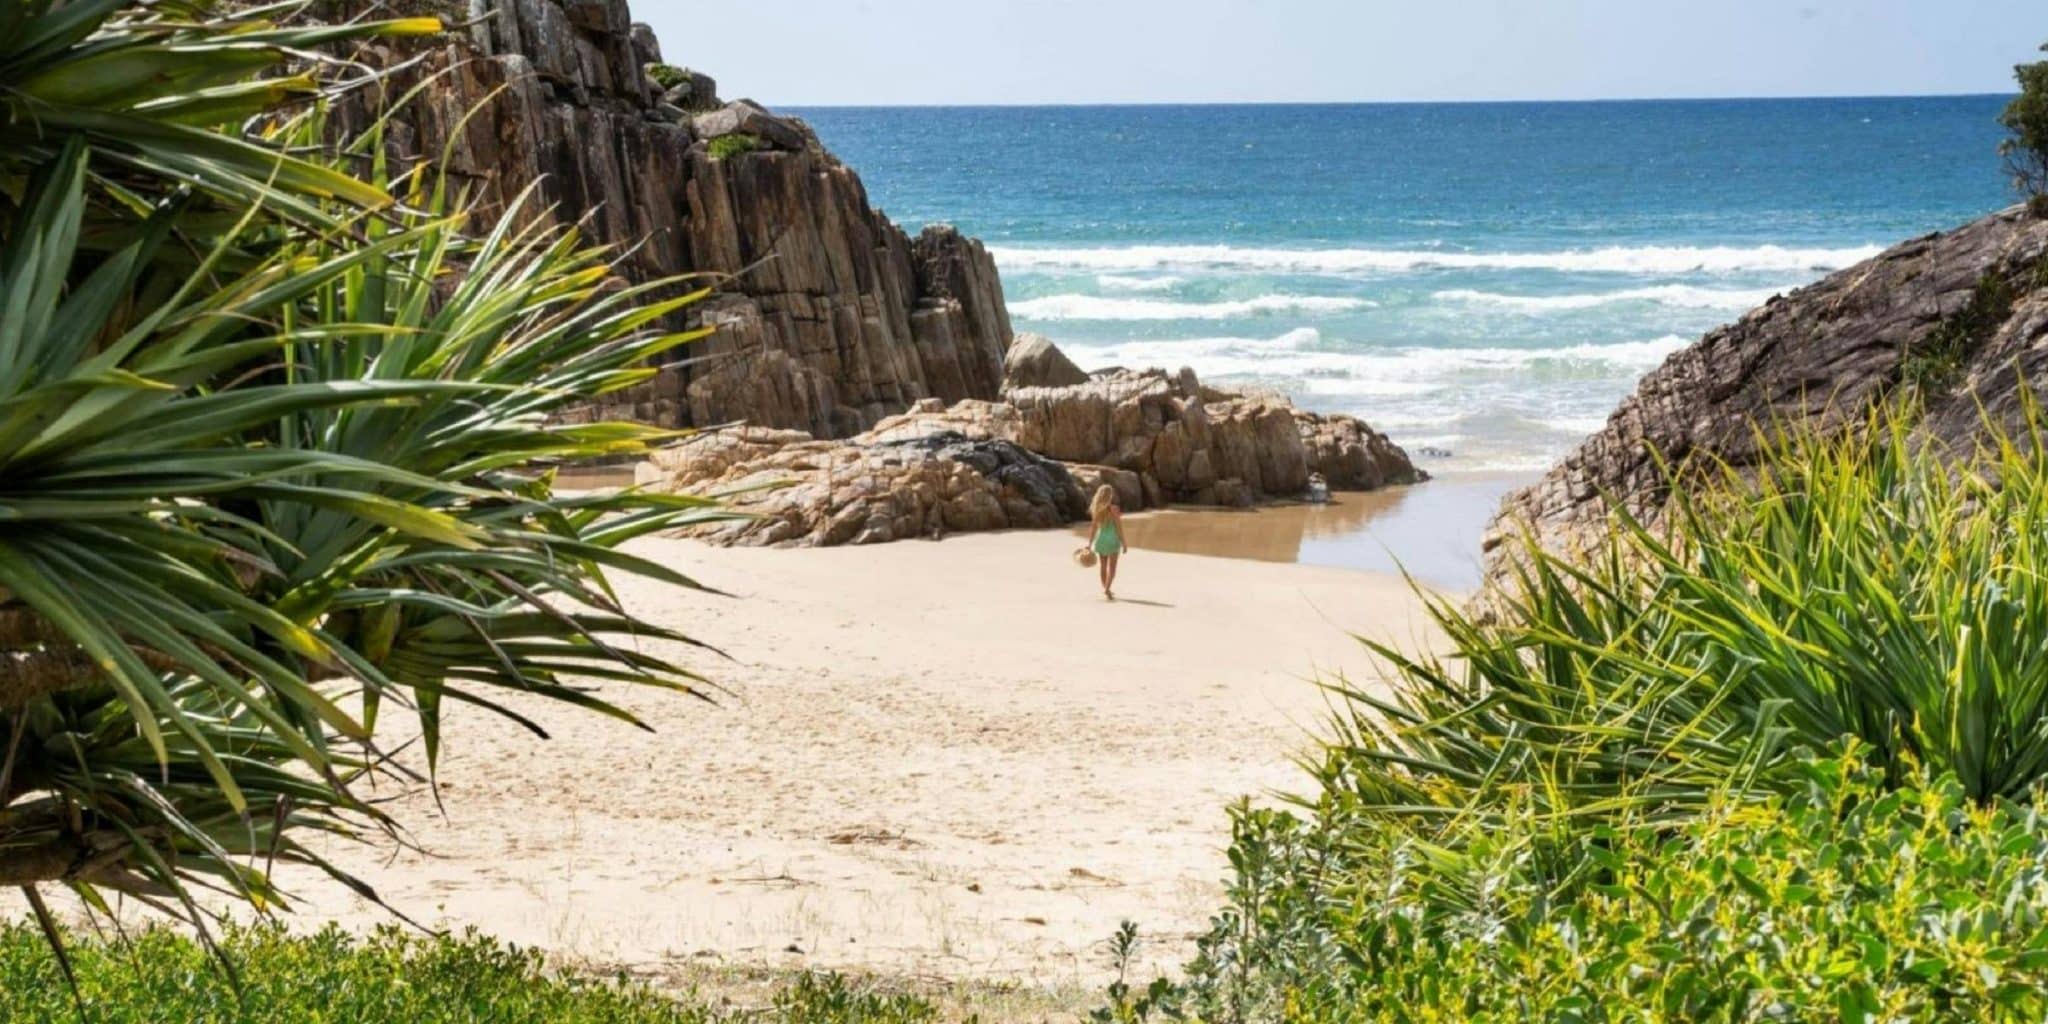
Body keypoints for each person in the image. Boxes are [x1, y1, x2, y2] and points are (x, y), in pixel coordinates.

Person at [1088, 485, 1127, 600]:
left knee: (1103, 567)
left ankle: (1106, 588)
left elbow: (1094, 528)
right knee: (1112, 568)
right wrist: (1124, 543)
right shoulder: (1114, 509)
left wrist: (1090, 543)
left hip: (1101, 540)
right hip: (1112, 540)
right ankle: (1107, 589)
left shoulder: (1096, 509)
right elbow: (1119, 528)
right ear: (1109, 496)